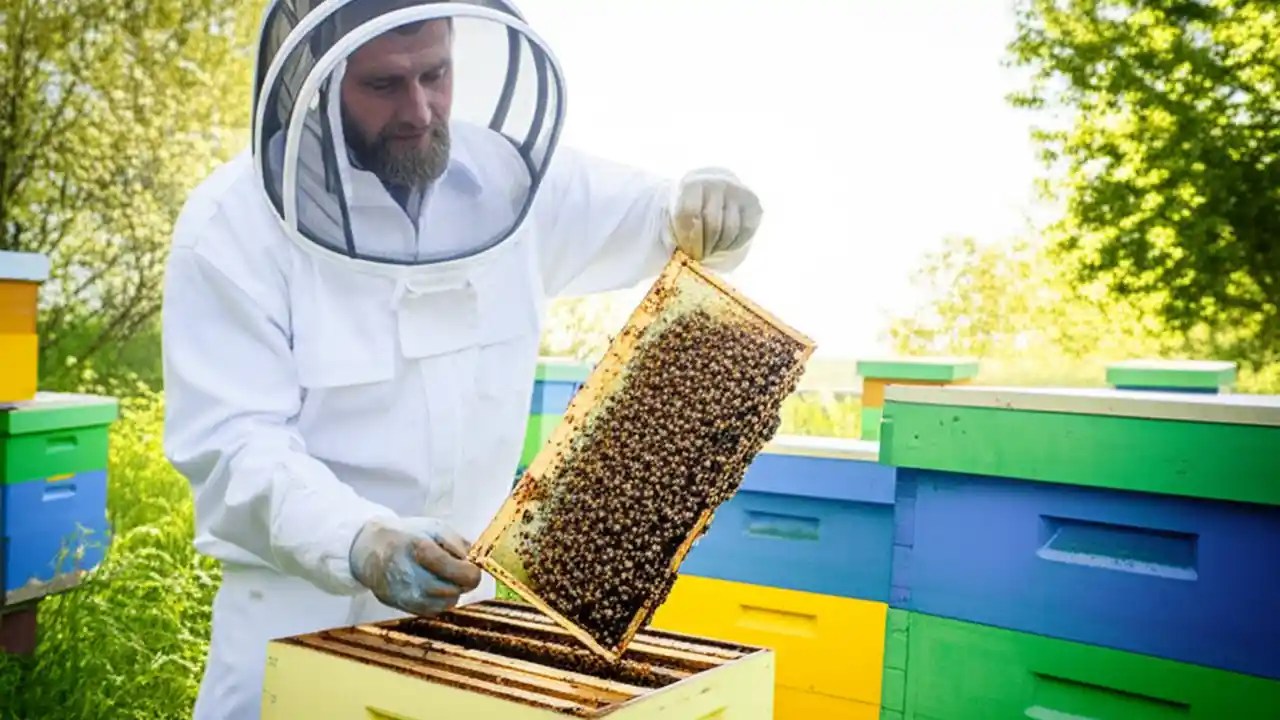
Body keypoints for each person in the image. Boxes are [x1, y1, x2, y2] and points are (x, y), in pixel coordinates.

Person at [161, 1, 762, 717]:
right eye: (384, 86)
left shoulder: (508, 180)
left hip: (467, 622)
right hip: (296, 617)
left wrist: (709, 201)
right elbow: (233, 446)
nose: (419, 109)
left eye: (436, 74)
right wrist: (361, 540)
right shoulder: (235, 225)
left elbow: (664, 218)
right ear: (318, 80)